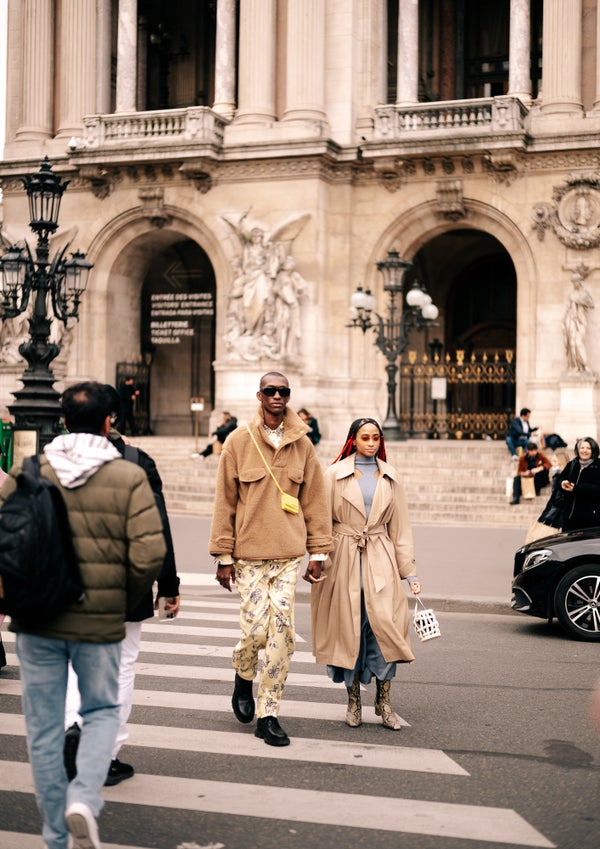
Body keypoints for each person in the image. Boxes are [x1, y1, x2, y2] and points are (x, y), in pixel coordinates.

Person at [0, 381, 166, 849]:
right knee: (100, 712)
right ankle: (84, 799)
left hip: (36, 621)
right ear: (110, 422)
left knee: (44, 727)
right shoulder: (127, 475)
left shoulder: (29, 470)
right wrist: (117, 598)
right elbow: (149, 553)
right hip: (99, 623)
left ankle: (56, 835)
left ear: (63, 420)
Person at [64, 384, 181, 788]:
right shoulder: (135, 460)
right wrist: (168, 584)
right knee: (120, 666)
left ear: (63, 420)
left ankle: (73, 729)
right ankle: (106, 752)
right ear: (109, 419)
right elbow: (157, 529)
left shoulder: (46, 461)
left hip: (65, 584)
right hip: (122, 585)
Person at [209, 371, 332, 747]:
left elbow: (314, 500)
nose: (277, 396)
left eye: (283, 391)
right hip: (248, 556)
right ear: (259, 396)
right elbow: (225, 502)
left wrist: (319, 551)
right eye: (270, 391)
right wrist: (224, 555)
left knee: (281, 635)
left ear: (289, 396)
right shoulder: (238, 440)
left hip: (288, 556)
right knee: (255, 632)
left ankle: (269, 713)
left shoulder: (303, 444)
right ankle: (243, 675)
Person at [310, 417, 422, 730]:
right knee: (349, 632)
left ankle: (384, 701)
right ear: (353, 440)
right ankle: (353, 701)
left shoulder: (390, 476)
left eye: (375, 438)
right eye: (365, 437)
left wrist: (409, 573)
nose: (371, 443)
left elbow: (400, 528)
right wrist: (318, 557)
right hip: (342, 557)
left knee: (386, 627)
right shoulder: (334, 474)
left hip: (380, 555)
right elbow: (320, 521)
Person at [556, 437, 600, 531]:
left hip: (590, 520)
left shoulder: (598, 466)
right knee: (567, 545)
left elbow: (597, 489)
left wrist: (576, 489)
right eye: (582, 448)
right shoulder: (572, 464)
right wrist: (562, 483)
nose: (585, 450)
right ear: (578, 449)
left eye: (588, 448)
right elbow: (559, 480)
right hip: (569, 518)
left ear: (593, 450)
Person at [563, 269, 594, 373]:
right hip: (572, 319)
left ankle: (584, 365)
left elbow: (591, 304)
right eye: (573, 281)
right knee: (572, 342)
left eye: (576, 281)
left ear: (580, 281)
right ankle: (575, 365)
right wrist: (564, 319)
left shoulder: (584, 293)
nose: (574, 283)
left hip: (581, 319)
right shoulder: (571, 294)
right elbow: (567, 308)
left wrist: (579, 301)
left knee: (578, 342)